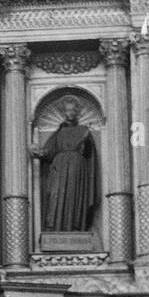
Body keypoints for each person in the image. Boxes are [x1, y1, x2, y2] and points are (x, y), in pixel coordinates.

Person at [30, 98, 98, 231]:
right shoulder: (59, 132)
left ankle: (75, 226)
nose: (71, 113)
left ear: (76, 112)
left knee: (75, 196)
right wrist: (38, 152)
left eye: (73, 110)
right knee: (56, 194)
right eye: (68, 110)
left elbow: (89, 154)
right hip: (59, 168)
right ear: (64, 112)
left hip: (77, 168)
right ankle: (55, 227)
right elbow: (49, 151)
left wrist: (86, 143)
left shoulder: (84, 130)